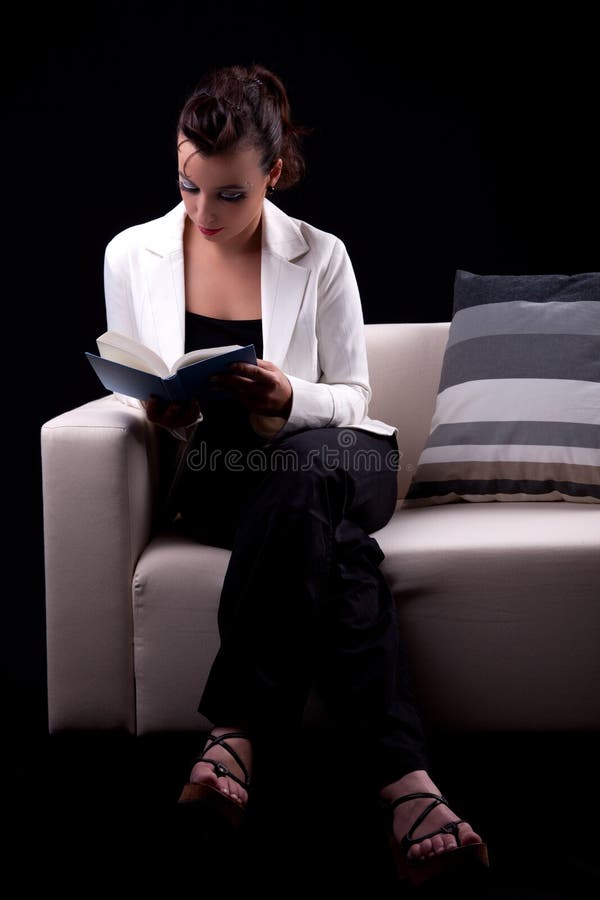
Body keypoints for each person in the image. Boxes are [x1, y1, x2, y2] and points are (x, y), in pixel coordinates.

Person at [102, 63, 488, 886]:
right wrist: (160, 413)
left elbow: (353, 398)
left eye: (229, 195)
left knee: (307, 475)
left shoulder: (323, 255)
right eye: (187, 187)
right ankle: (406, 783)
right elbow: (135, 372)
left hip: (340, 454)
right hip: (225, 474)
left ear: (271, 174)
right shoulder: (130, 253)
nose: (203, 214)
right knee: (334, 551)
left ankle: (237, 731)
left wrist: (287, 395)